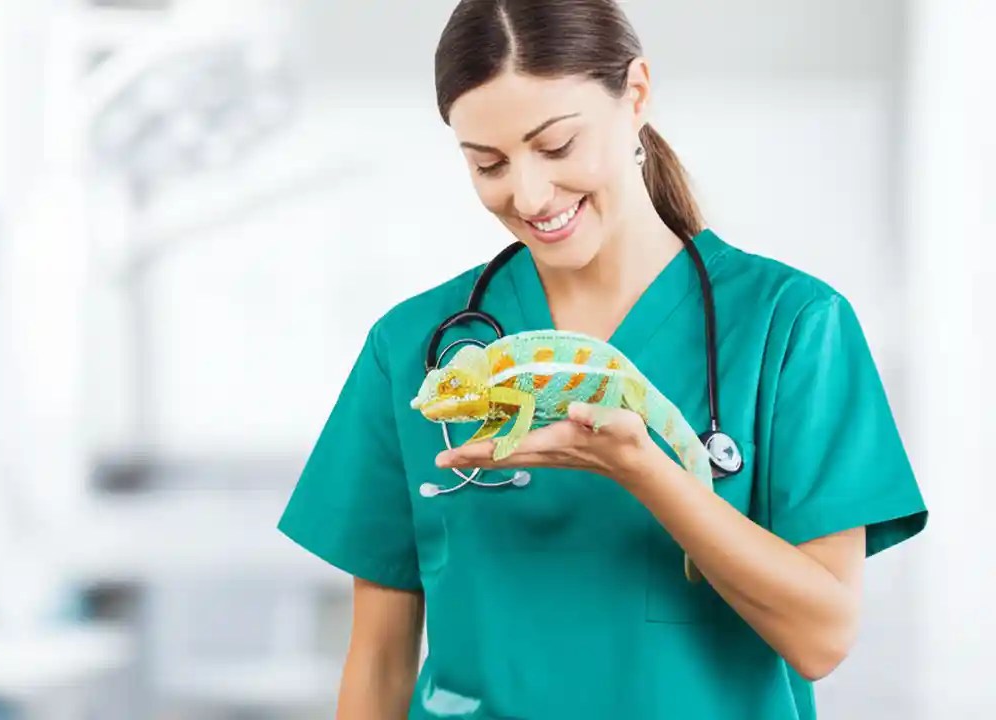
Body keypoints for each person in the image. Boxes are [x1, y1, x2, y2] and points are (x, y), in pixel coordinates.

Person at [276, 0, 929, 717]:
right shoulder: (411, 348)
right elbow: (376, 660)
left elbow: (822, 638)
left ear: (637, 94)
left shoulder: (792, 326)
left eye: (556, 147)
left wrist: (649, 472)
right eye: (488, 163)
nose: (527, 194)